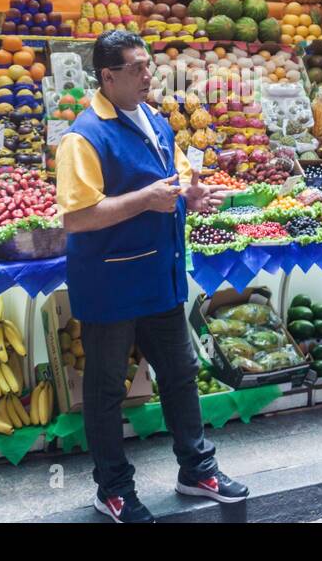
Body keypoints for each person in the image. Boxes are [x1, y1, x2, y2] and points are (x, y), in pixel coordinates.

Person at [55, 30, 248, 523]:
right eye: (137, 68)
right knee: (106, 390)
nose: (149, 75)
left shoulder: (157, 122)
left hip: (160, 277)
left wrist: (191, 196)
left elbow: (177, 179)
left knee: (181, 374)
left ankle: (197, 469)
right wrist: (144, 200)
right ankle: (113, 489)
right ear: (108, 77)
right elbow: (76, 217)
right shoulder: (83, 136)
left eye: (149, 65)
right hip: (110, 282)